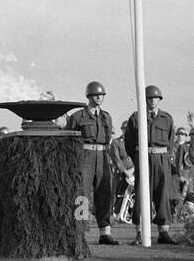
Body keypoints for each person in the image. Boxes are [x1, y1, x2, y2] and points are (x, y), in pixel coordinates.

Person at [64, 81, 118, 245]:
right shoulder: (78, 116)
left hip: (102, 156)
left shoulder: (106, 116)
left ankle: (105, 233)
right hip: (85, 156)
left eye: (101, 95)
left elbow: (108, 138)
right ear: (89, 96)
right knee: (82, 194)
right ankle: (80, 232)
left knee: (104, 194)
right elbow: (69, 139)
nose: (99, 98)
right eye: (96, 95)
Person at [123, 84, 178, 245]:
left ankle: (164, 231)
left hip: (161, 159)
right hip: (143, 157)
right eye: (149, 98)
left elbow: (171, 141)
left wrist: (165, 159)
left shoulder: (166, 118)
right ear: (144, 99)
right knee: (141, 194)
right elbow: (129, 142)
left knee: (163, 194)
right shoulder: (136, 117)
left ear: (159, 100)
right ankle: (140, 231)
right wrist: (138, 159)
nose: (153, 101)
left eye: (156, 98)